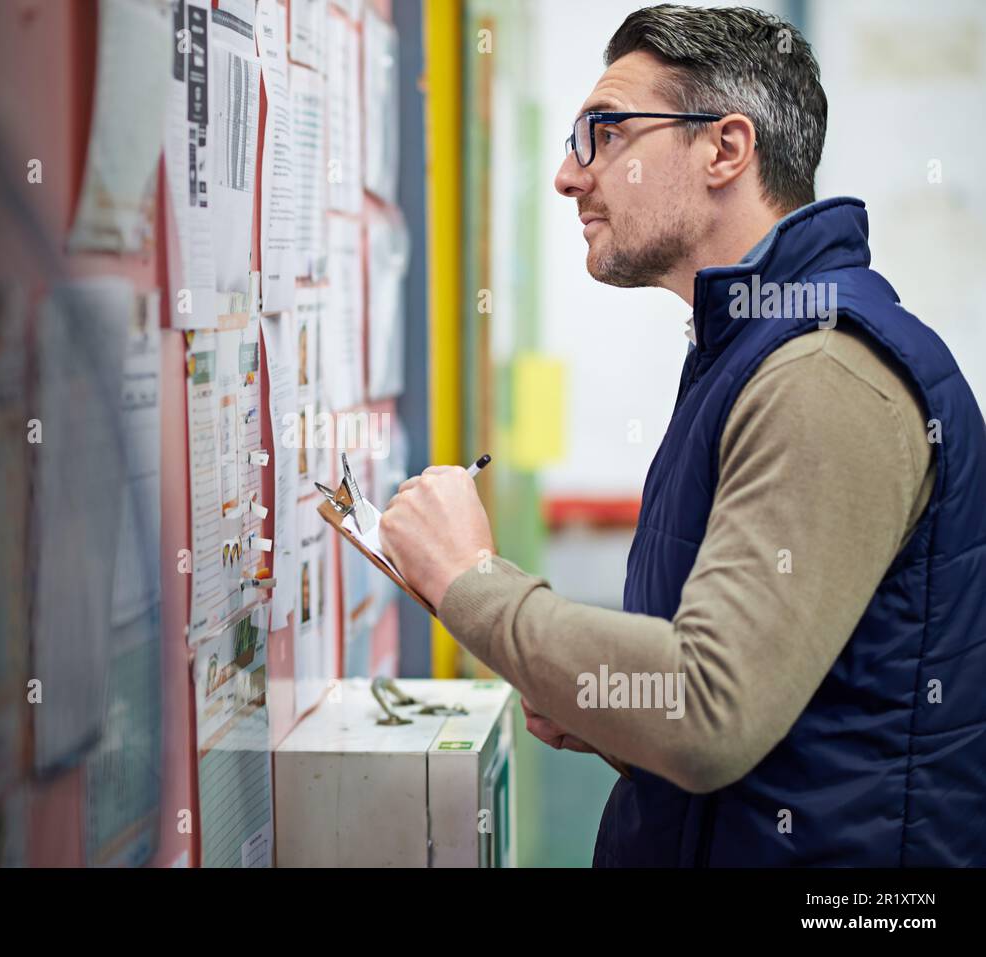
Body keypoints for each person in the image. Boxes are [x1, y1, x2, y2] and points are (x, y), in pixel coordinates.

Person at [380, 4, 986, 866]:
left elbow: (710, 709)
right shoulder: (746, 351)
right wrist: (611, 710)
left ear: (725, 150)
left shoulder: (823, 372)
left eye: (604, 132)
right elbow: (786, 702)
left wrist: (469, 583)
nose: (566, 174)